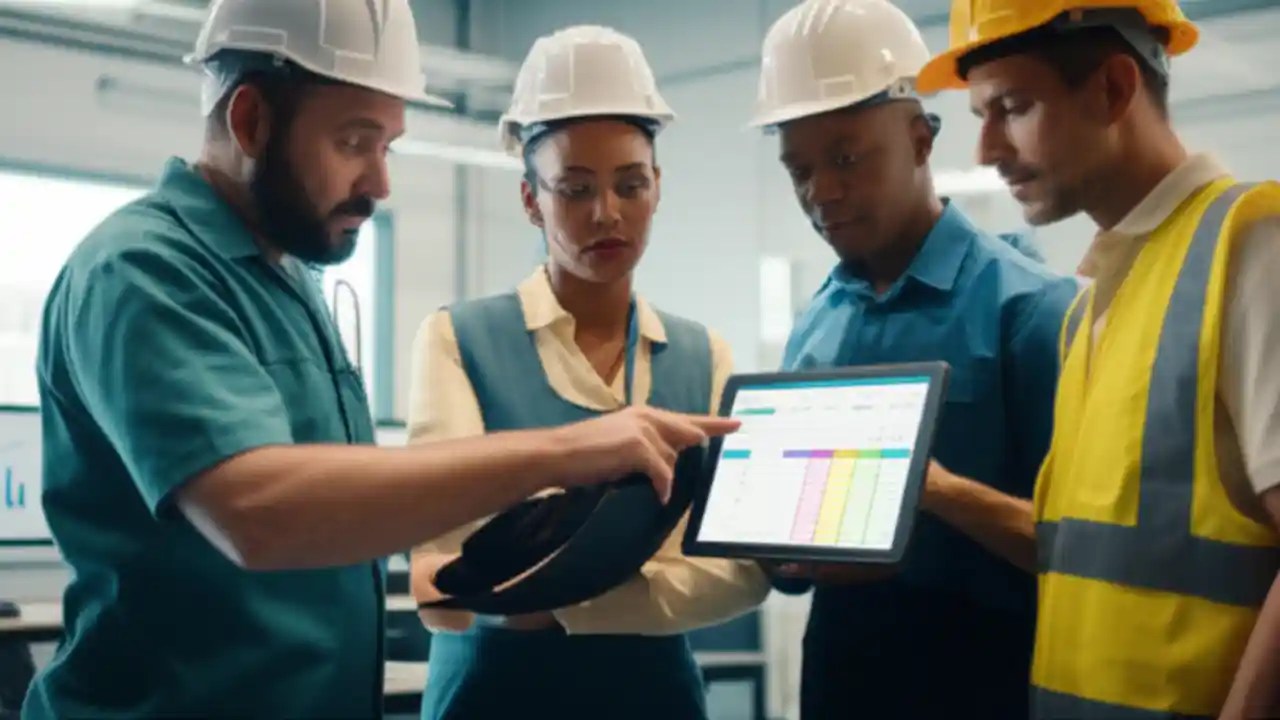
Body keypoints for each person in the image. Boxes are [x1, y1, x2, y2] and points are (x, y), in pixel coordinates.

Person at [22, 3, 739, 719]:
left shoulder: (285, 282)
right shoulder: (143, 271)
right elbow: (257, 512)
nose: (381, 183)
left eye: (388, 147)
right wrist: (565, 451)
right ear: (250, 121)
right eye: (355, 142)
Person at [914, 1, 1280, 718]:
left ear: (1114, 88)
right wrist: (935, 488)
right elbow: (1084, 554)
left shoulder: (1252, 247)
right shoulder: (1093, 304)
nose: (986, 150)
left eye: (1011, 108)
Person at [405, 25, 771, 720]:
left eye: (630, 184)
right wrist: (652, 583)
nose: (607, 213)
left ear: (658, 187)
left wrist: (556, 603)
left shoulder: (702, 356)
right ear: (529, 200)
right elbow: (439, 585)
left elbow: (742, 571)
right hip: (493, 701)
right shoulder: (459, 340)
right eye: (574, 189)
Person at [745, 1, 1078, 718]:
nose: (820, 193)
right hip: (840, 679)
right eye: (798, 169)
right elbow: (793, 565)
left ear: (922, 139)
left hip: (988, 680)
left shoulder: (1031, 310)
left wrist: (935, 490)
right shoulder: (819, 322)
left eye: (845, 158)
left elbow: (1088, 551)